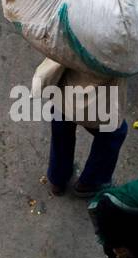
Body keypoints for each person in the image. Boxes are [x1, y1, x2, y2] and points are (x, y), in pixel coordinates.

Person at [39, 59, 129, 198]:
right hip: (99, 103)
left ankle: (57, 179)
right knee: (114, 133)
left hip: (66, 92)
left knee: (62, 126)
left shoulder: (73, 38)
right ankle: (90, 182)